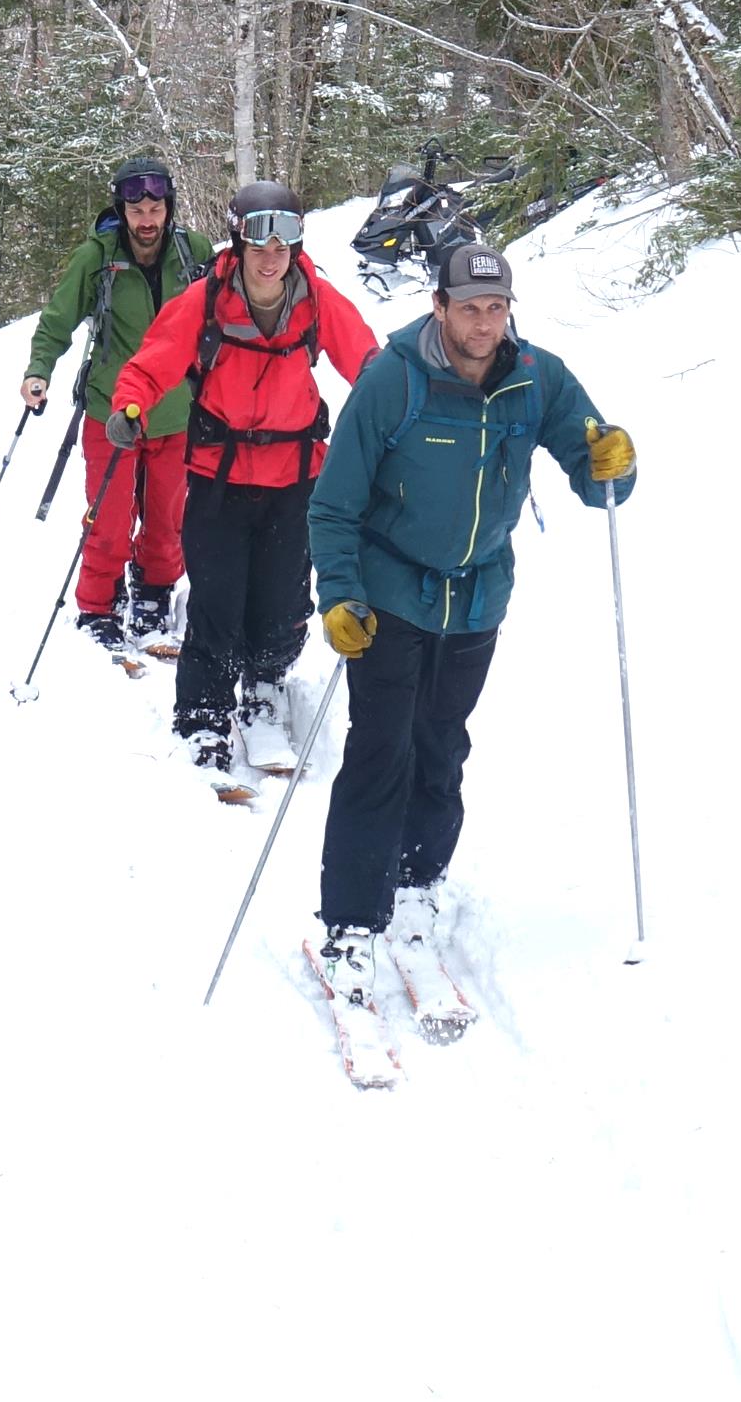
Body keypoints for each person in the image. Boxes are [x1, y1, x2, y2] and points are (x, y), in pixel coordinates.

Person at [302, 239, 634, 1005]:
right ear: (439, 307)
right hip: (387, 596)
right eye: (469, 308)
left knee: (441, 744)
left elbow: (594, 470)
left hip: (479, 597)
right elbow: (334, 501)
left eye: (496, 308)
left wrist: (614, 463)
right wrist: (337, 594)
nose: (484, 324)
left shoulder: (535, 377)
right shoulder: (393, 380)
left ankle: (416, 881)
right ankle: (351, 920)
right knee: (380, 749)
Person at [109, 179, 378, 794]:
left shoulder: (316, 299)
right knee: (217, 601)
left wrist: (389, 412)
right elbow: (151, 365)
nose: (272, 250)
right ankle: (203, 715)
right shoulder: (205, 301)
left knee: (284, 603)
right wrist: (130, 407)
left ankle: (262, 694)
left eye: (285, 235)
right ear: (238, 237)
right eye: (259, 235)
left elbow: (365, 358)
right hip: (218, 477)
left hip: (297, 477)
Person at [20, 156, 213, 661]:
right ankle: (98, 605)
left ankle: (153, 593)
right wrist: (39, 370)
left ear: (168, 207)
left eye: (155, 208)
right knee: (107, 517)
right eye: (136, 209)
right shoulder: (97, 257)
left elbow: (221, 319)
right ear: (121, 209)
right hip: (112, 411)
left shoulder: (192, 253)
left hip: (176, 410)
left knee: (167, 517)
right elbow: (58, 318)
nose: (147, 220)